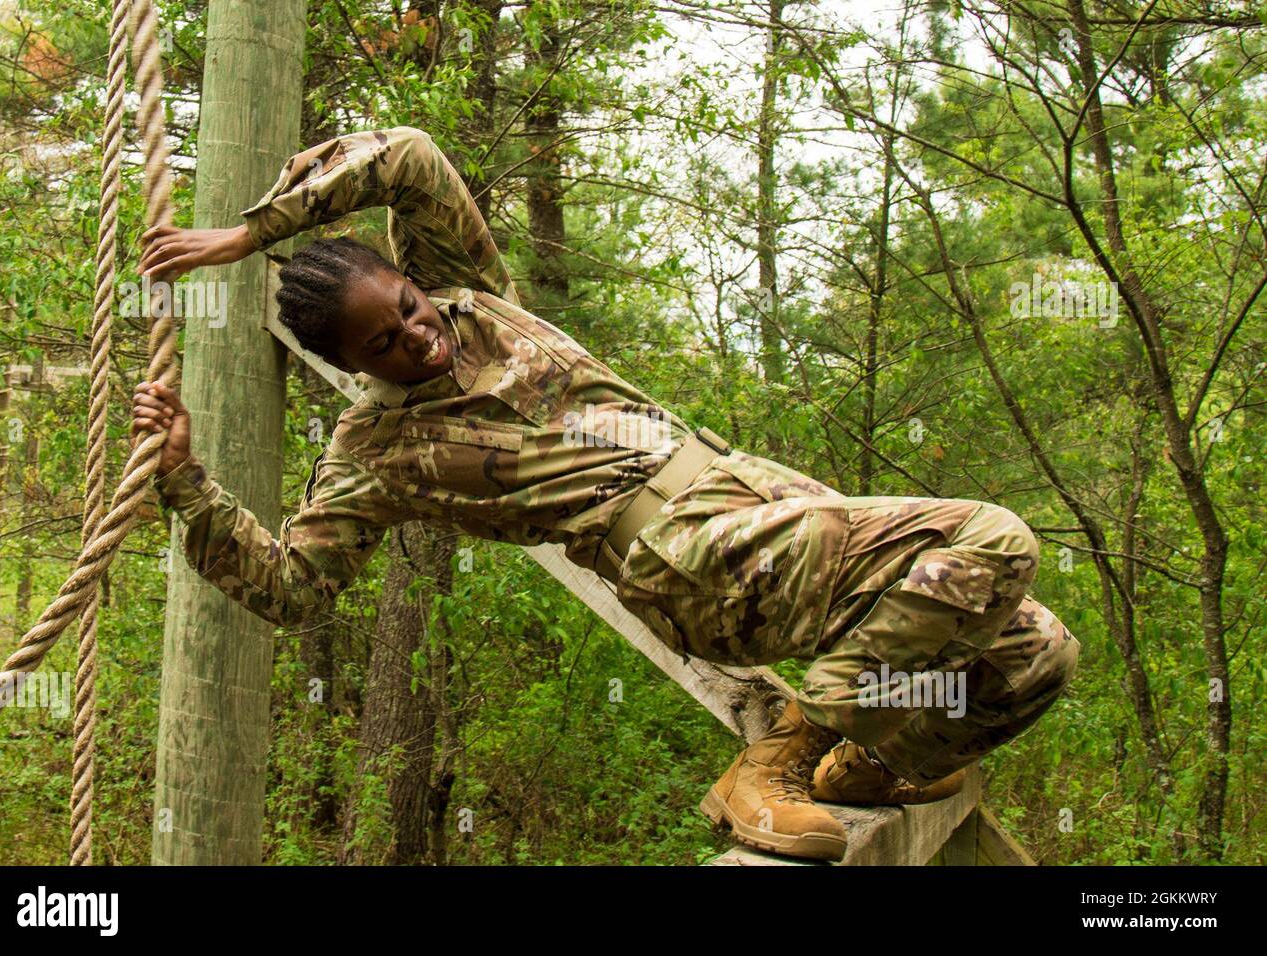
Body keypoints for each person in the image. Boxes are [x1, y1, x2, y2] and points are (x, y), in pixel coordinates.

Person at [134, 126, 1080, 862]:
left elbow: (406, 157)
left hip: (748, 493)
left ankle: (866, 762)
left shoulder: (476, 297)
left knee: (1034, 651)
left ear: (419, 287)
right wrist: (184, 480)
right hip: (687, 561)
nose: (418, 341)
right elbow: (296, 588)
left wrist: (253, 232)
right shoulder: (375, 450)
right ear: (345, 363)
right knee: (992, 537)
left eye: (409, 313)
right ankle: (785, 748)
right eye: (382, 345)